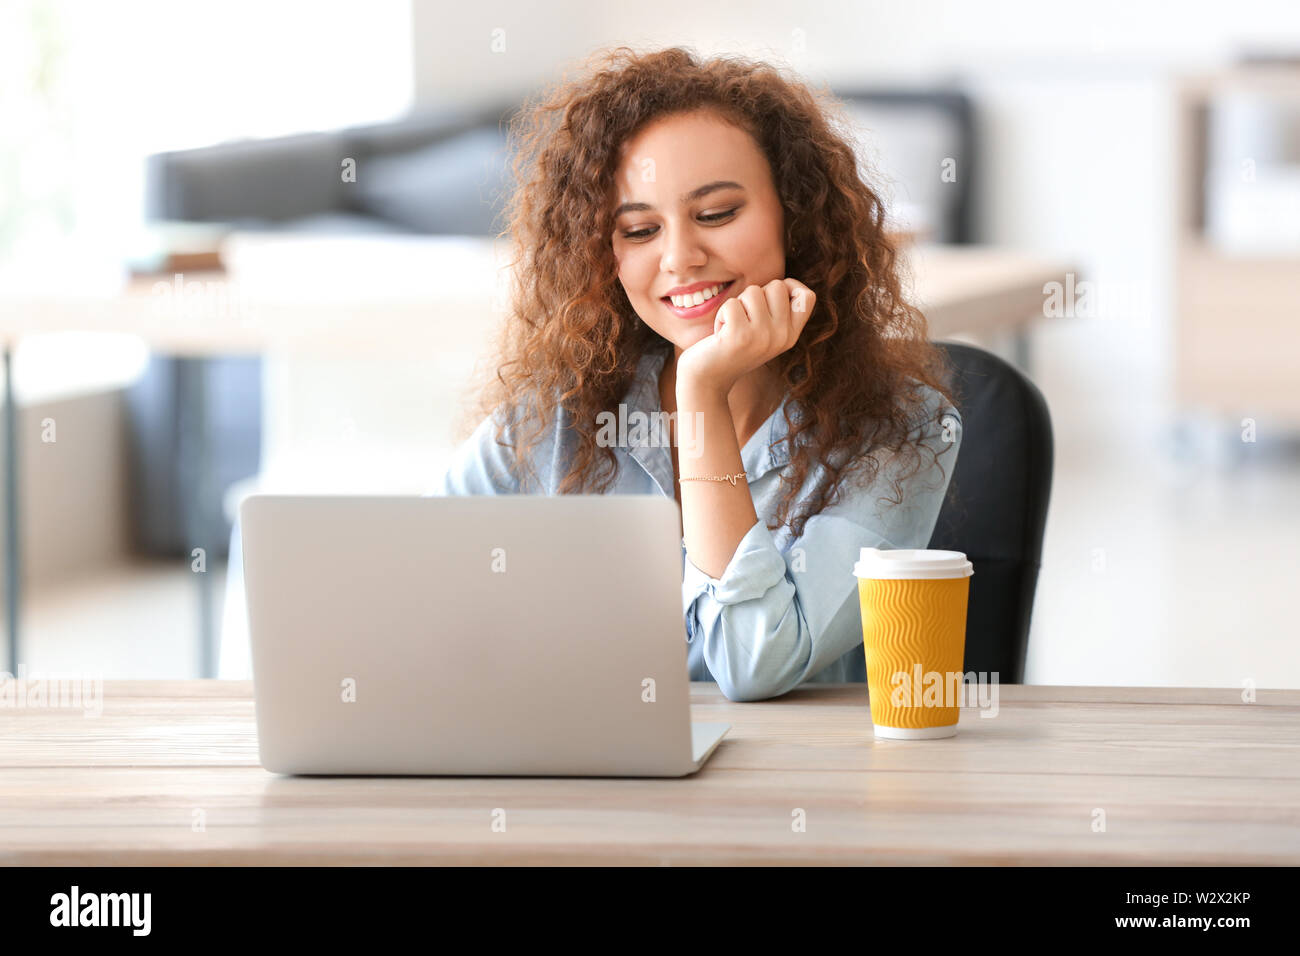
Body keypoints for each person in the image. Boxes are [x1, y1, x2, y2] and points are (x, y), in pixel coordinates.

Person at [430, 46, 963, 702]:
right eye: (639, 230)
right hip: (586, 784)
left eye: (716, 214)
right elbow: (418, 605)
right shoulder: (556, 419)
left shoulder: (901, 428)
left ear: (793, 216)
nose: (680, 257)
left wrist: (702, 393)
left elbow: (755, 662)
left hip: (801, 789)